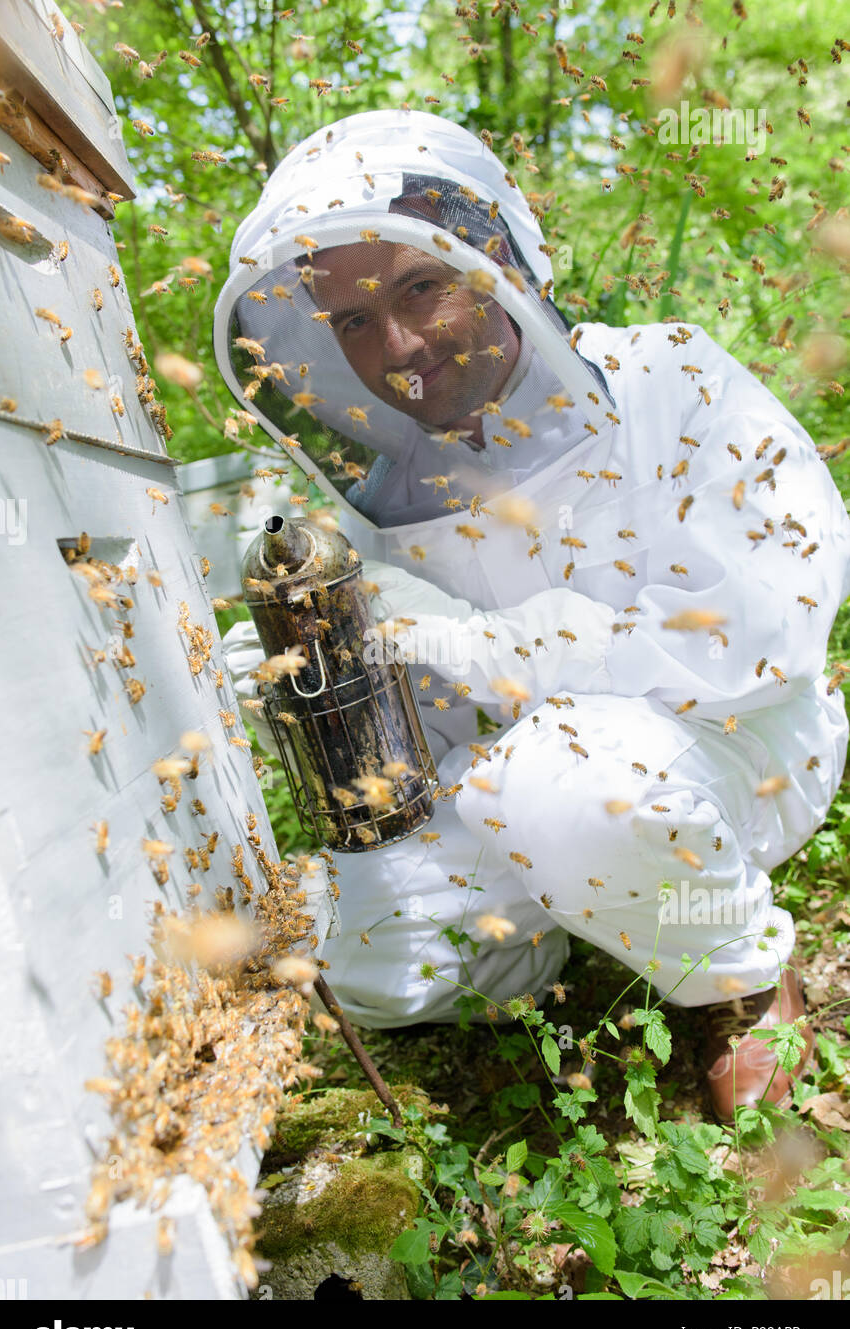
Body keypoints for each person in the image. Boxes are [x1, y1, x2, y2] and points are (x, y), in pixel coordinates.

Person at [214, 109, 850, 1121]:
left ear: (495, 256)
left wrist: (478, 647)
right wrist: (318, 683)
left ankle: (734, 976)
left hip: (732, 750)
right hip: (511, 791)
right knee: (348, 949)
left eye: (418, 287)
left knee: (566, 787)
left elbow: (753, 635)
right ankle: (563, 938)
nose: (398, 346)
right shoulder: (384, 494)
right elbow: (428, 739)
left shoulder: (666, 379)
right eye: (353, 323)